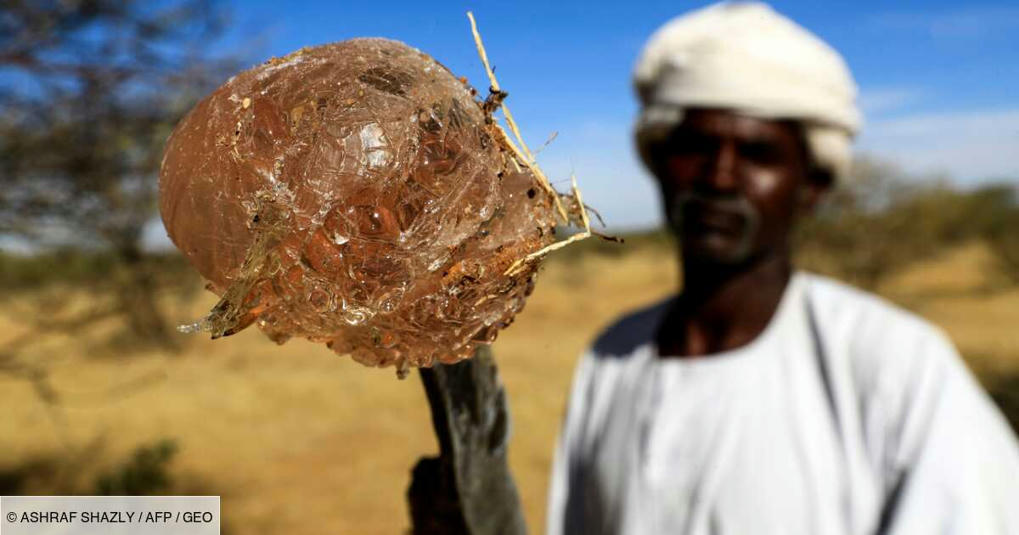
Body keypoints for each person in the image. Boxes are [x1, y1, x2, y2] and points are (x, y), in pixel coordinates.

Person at [545, 3, 1019, 534]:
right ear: (658, 162)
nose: (720, 177)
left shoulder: (899, 370)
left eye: (758, 153)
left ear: (811, 186)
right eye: (696, 147)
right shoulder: (612, 358)